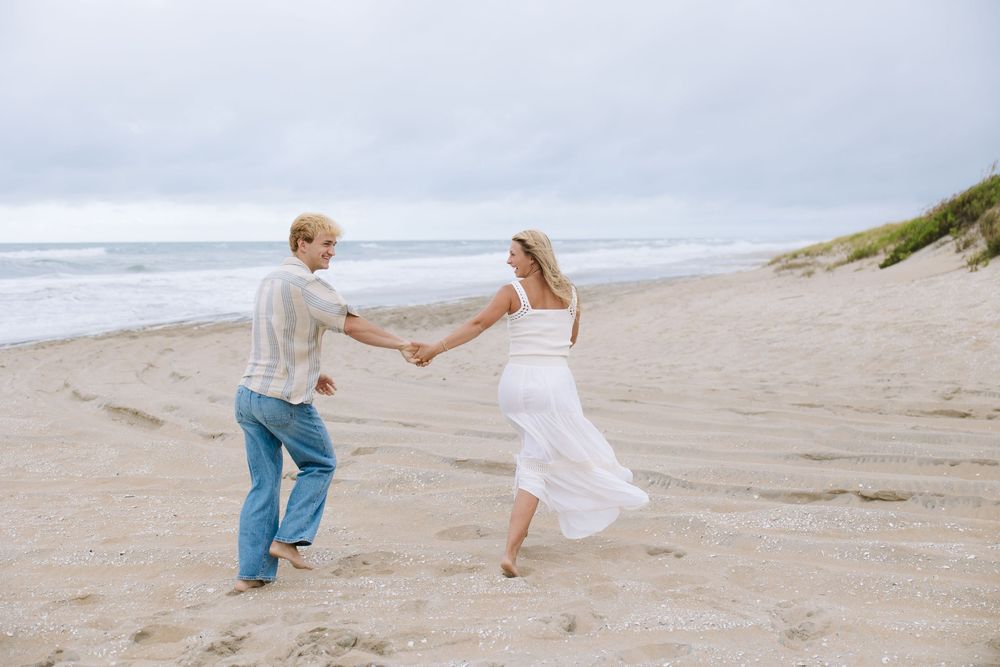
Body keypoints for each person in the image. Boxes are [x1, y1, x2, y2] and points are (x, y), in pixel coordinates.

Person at [415, 230, 649, 577]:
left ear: (532, 257)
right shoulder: (570, 293)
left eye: (513, 254)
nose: (508, 260)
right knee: (539, 459)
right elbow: (570, 339)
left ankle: (512, 549)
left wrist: (436, 348)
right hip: (555, 382)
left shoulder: (512, 293)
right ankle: (511, 550)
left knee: (536, 457)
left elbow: (479, 324)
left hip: (518, 382)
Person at [233, 213, 421, 593]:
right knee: (320, 463)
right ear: (301, 243)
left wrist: (311, 372)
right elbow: (353, 325)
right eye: (326, 244)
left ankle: (250, 576)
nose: (332, 252)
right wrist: (402, 343)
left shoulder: (270, 279)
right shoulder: (308, 284)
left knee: (263, 485)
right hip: (280, 400)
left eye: (334, 244)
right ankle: (288, 540)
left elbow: (277, 333)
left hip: (248, 395)